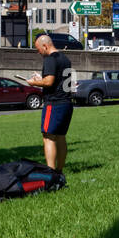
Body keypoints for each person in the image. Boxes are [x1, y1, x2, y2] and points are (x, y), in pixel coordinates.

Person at [28, 33, 74, 172]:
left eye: (38, 49)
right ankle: (59, 171)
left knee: (48, 137)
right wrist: (41, 77)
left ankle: (50, 172)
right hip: (66, 102)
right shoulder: (65, 59)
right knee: (60, 137)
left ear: (45, 46)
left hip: (54, 103)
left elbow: (49, 82)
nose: (38, 52)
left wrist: (34, 82)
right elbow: (62, 82)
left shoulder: (50, 59)